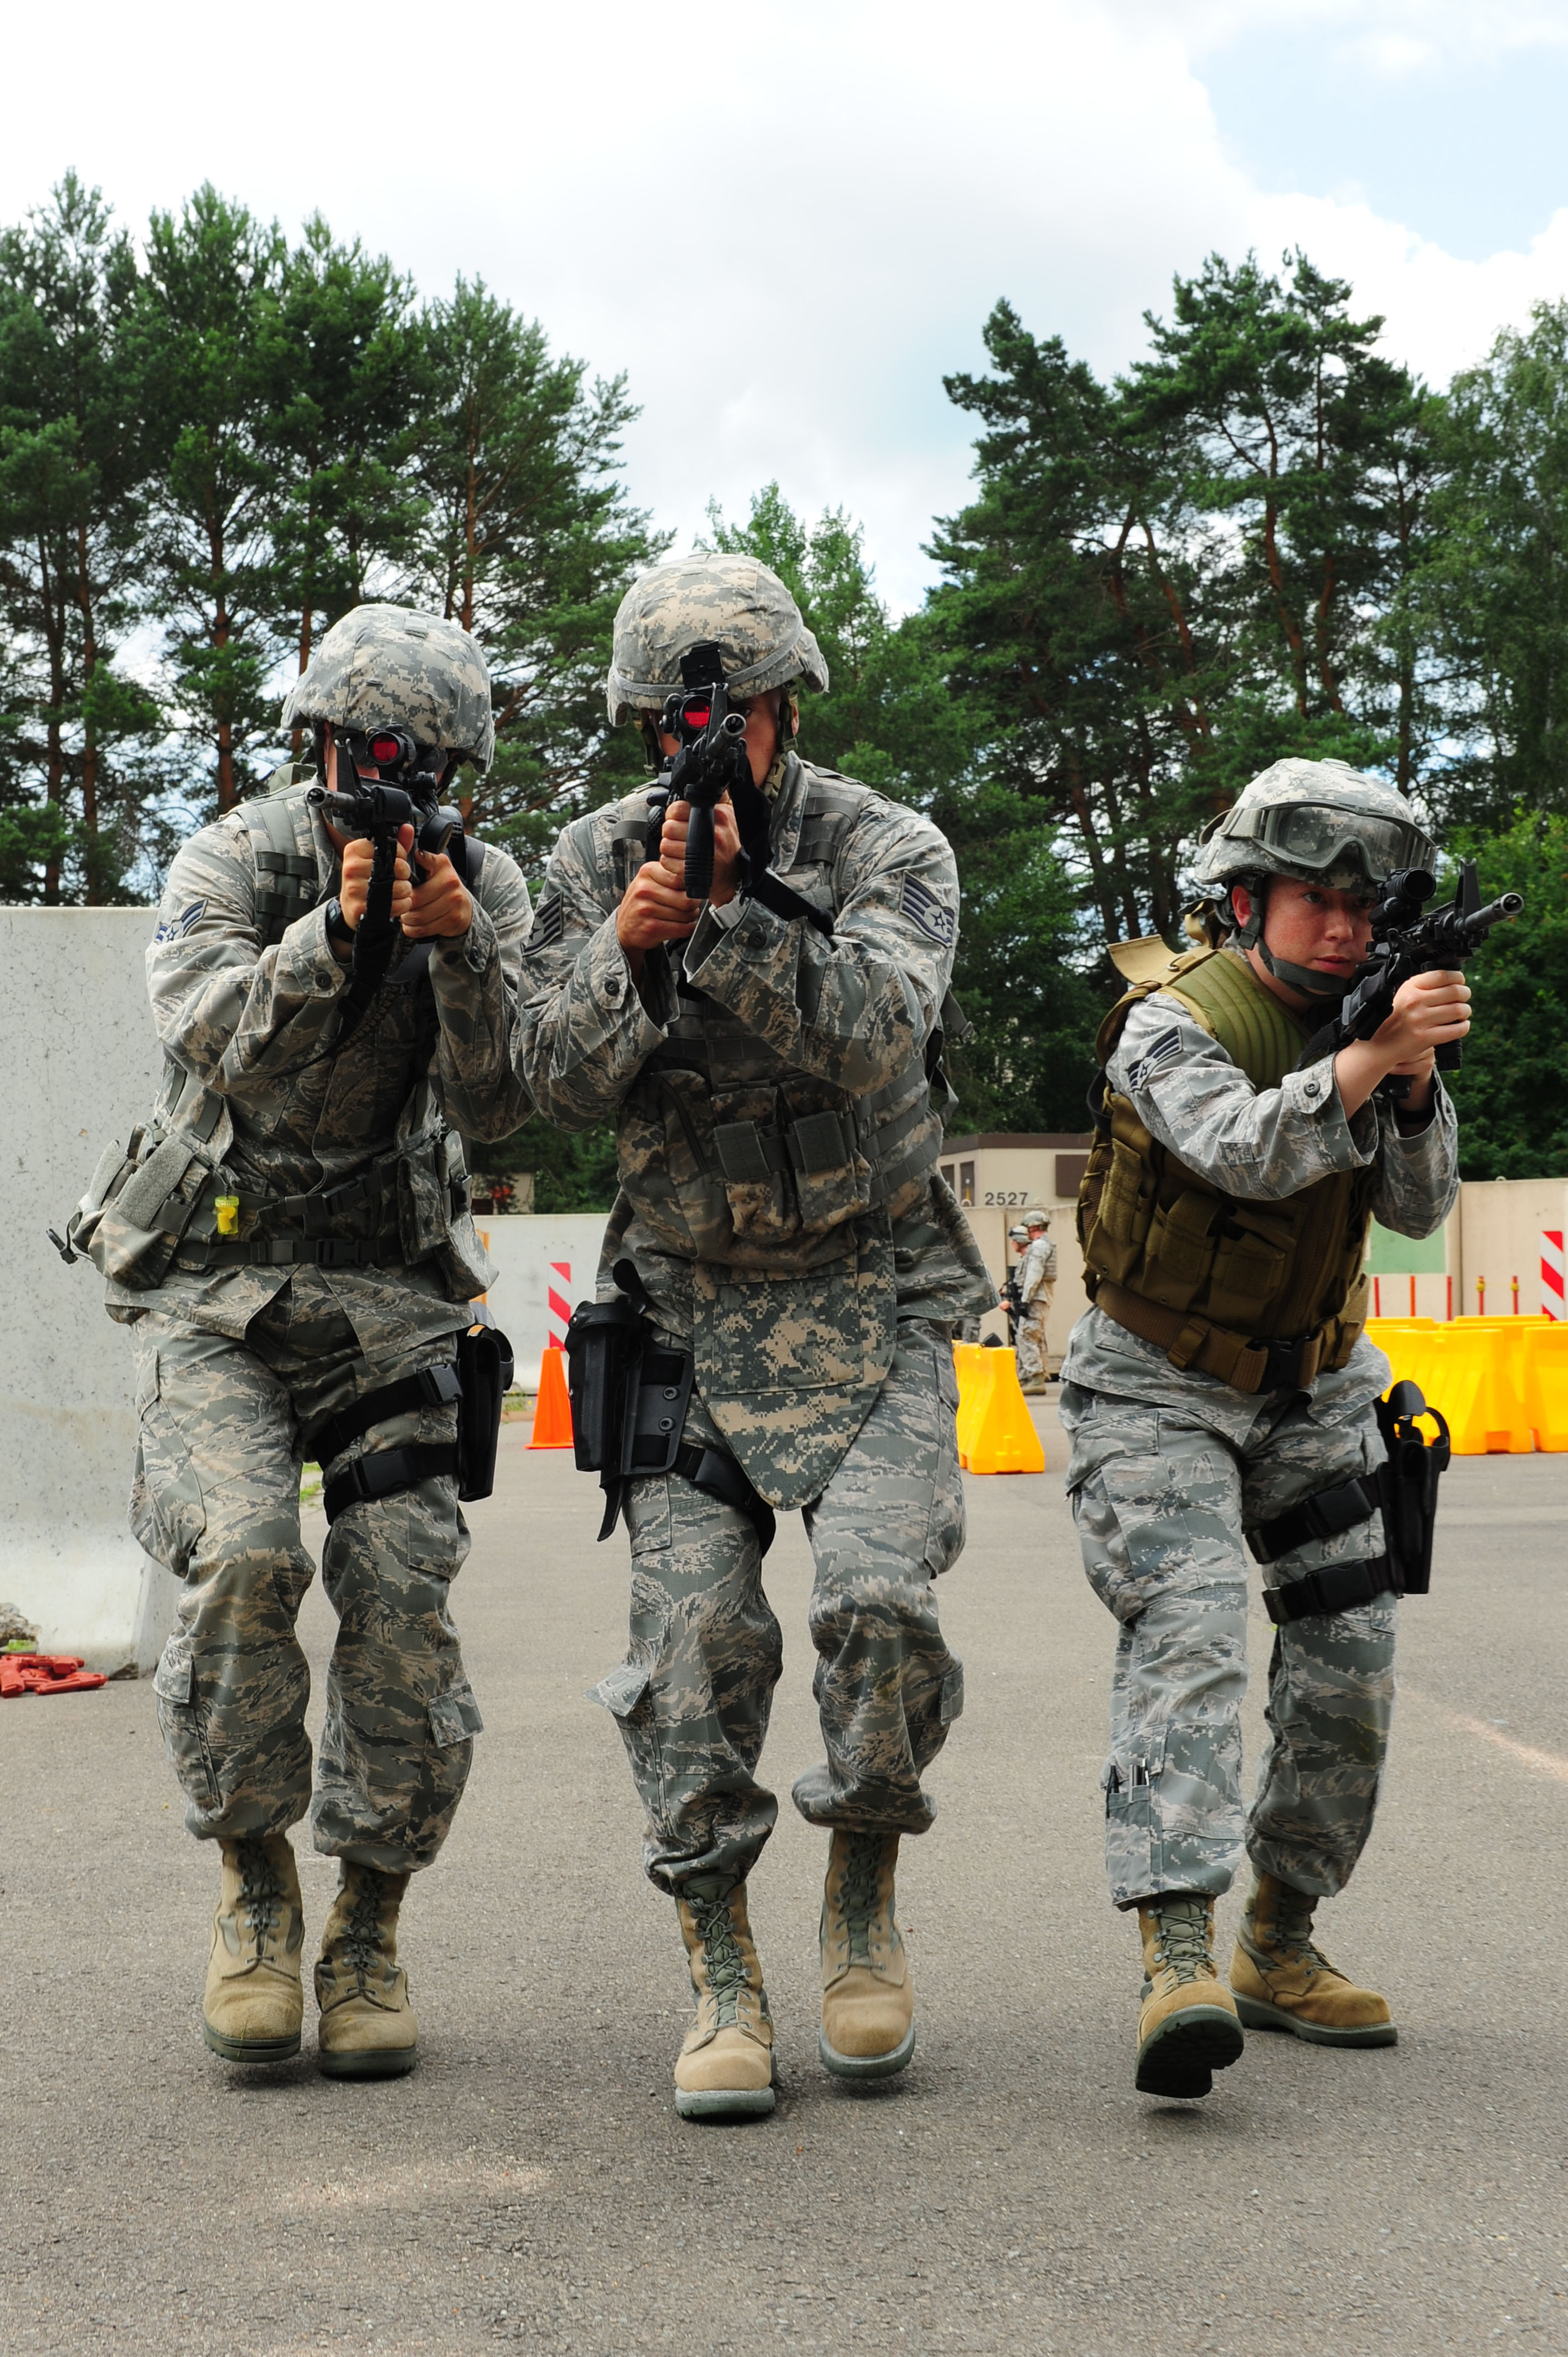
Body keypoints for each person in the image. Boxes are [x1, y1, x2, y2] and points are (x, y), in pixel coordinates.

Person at [514, 552, 993, 2119]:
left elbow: (878, 1030)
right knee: (692, 1648)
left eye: (726, 717)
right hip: (680, 1300)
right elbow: (545, 1082)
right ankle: (722, 1962)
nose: (698, 749)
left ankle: (862, 1896)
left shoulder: (887, 846)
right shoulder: (588, 862)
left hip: (878, 1280)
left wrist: (726, 922)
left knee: (879, 1603)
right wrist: (632, 951)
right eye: (666, 723)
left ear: (788, 707)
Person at [63, 604, 532, 2077]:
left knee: (402, 1590)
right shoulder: (237, 859)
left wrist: (461, 958)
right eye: (355, 754)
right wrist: (339, 932)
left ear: (458, 771)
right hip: (214, 1292)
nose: (379, 785)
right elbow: (216, 1040)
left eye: (412, 762)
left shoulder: (485, 884)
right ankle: (257, 1886)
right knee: (246, 1553)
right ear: (311, 747)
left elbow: (512, 1107)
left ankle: (370, 1927)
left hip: (387, 1299)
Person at [1061, 757, 1464, 2099]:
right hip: (1153, 1378)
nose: (1344, 925)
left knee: (1346, 1661)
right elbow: (1235, 1147)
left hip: (1313, 1384)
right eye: (1313, 898)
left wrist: (1409, 1084)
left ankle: (1277, 1942)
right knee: (1186, 1641)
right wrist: (1367, 1060)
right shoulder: (1169, 1020)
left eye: (1366, 905)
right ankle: (1174, 1954)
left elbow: (1412, 1210)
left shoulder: (1368, 1026)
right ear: (1244, 899)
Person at [1015, 1210, 1057, 1393]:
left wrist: (1025, 1300)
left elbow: (1034, 1274)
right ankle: (1033, 1376)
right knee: (1035, 1336)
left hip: (1035, 1297)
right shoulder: (1046, 1245)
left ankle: (1036, 1378)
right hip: (1041, 1296)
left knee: (1027, 1335)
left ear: (1033, 1227)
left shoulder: (1039, 1246)